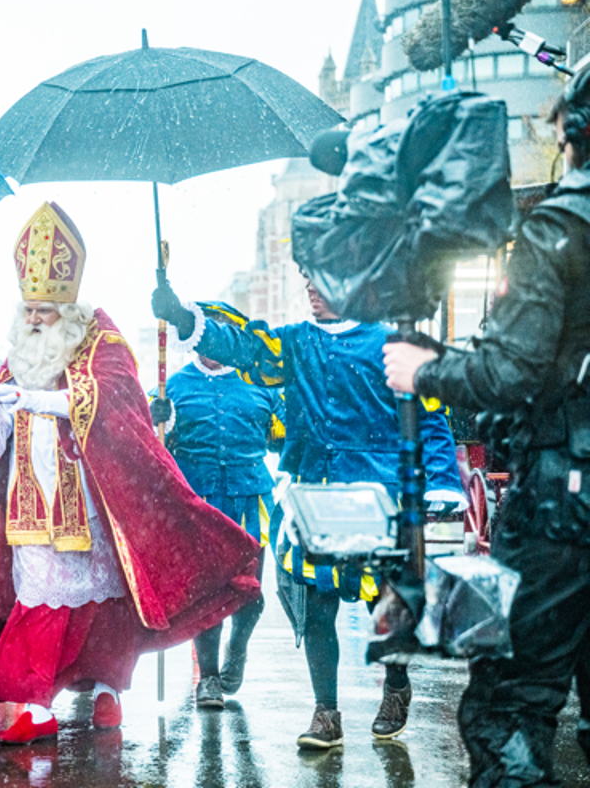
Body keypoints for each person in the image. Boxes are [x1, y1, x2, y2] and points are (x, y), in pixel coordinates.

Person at [0, 201, 260, 744]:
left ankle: (107, 690)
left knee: (105, 597)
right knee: (39, 593)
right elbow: (5, 409)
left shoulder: (102, 341)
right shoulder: (22, 352)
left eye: (45, 311)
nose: (35, 320)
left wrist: (39, 400)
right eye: (29, 310)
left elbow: (114, 402)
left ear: (68, 307)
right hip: (31, 496)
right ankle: (27, 699)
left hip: (94, 496)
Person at [383, 66, 590, 786]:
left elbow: (513, 374)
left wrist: (424, 372)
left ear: (573, 135)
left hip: (565, 503)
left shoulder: (559, 229)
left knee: (512, 702)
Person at [153, 278, 465, 750]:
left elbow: (431, 413)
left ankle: (396, 684)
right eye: (306, 283)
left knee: (380, 602)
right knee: (318, 609)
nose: (311, 292)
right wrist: (184, 320)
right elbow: (245, 347)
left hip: (376, 496)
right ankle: (326, 713)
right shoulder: (294, 342)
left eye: (321, 281)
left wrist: (442, 482)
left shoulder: (393, 343)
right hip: (312, 495)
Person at [152, 302, 285, 707]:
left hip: (250, 496)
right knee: (206, 592)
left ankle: (238, 648)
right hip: (199, 501)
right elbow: (151, 445)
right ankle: (208, 678)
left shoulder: (261, 386)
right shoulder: (171, 387)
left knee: (251, 589)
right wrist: (156, 418)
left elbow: (283, 438)